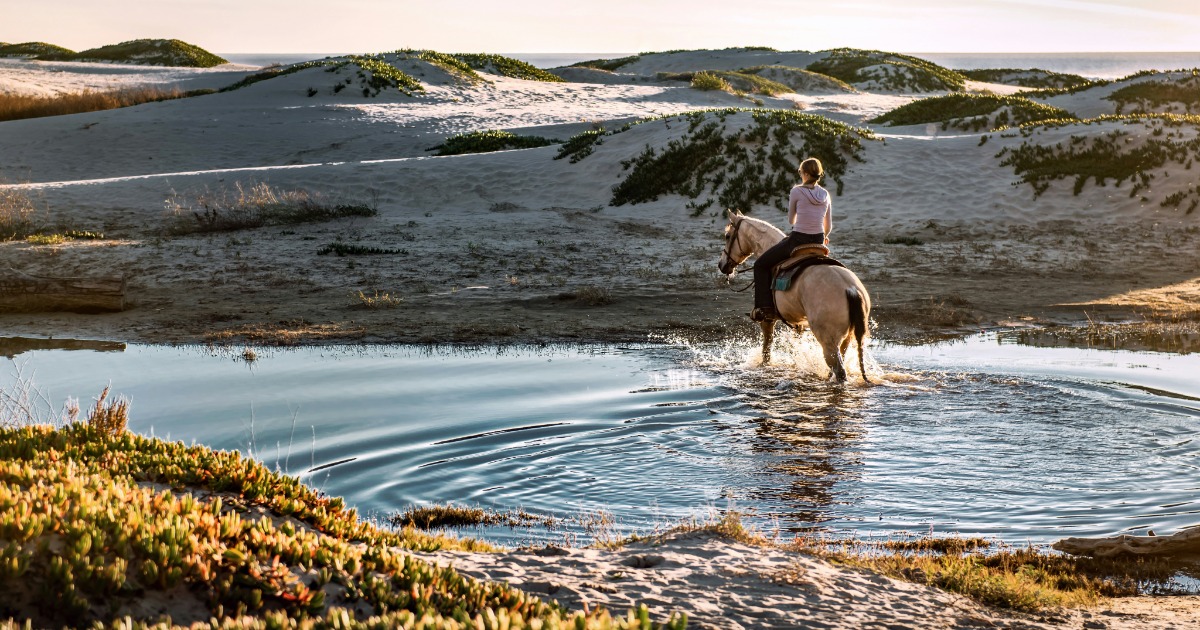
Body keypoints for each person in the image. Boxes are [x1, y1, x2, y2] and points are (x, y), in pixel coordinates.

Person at [750, 157, 832, 322]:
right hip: (818, 241)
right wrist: (824, 236)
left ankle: (765, 309)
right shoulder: (825, 194)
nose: (800, 174)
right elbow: (828, 225)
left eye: (801, 172)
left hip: (798, 240)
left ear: (806, 173)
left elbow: (791, 220)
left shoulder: (796, 191)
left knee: (760, 265)